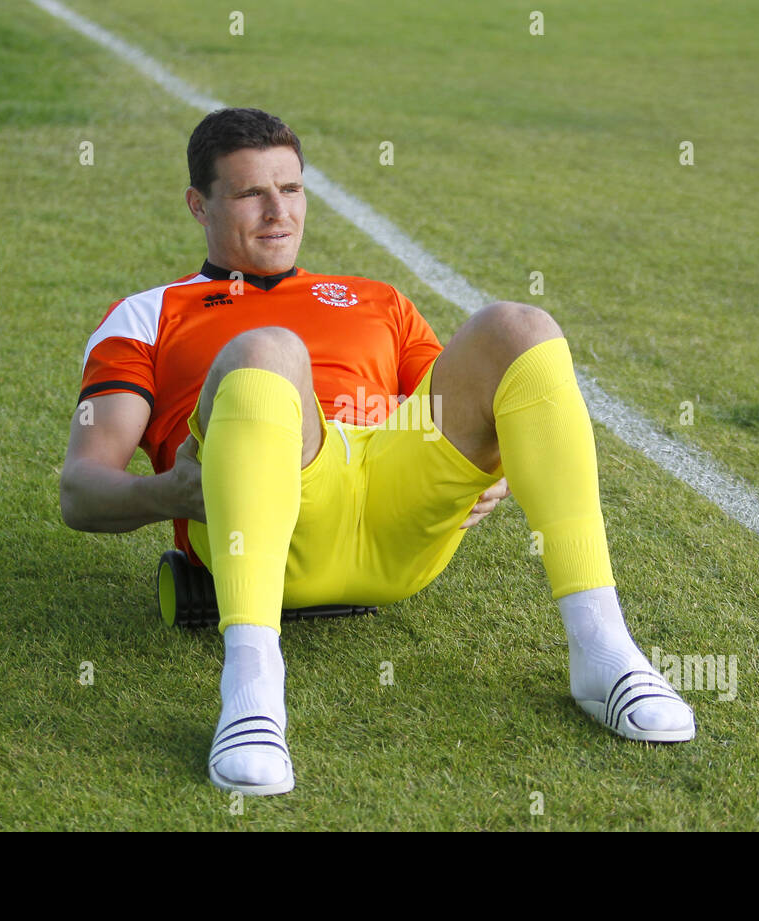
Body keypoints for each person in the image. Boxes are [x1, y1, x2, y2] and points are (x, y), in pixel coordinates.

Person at [60, 107, 695, 797]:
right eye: (250, 194)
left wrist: (498, 475)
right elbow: (81, 487)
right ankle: (251, 690)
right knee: (266, 349)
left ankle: (603, 650)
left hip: (398, 511)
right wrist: (170, 494)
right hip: (273, 514)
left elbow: (473, 405)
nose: (278, 211)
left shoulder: (376, 299)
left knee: (517, 326)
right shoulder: (150, 312)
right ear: (198, 204)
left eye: (293, 189)